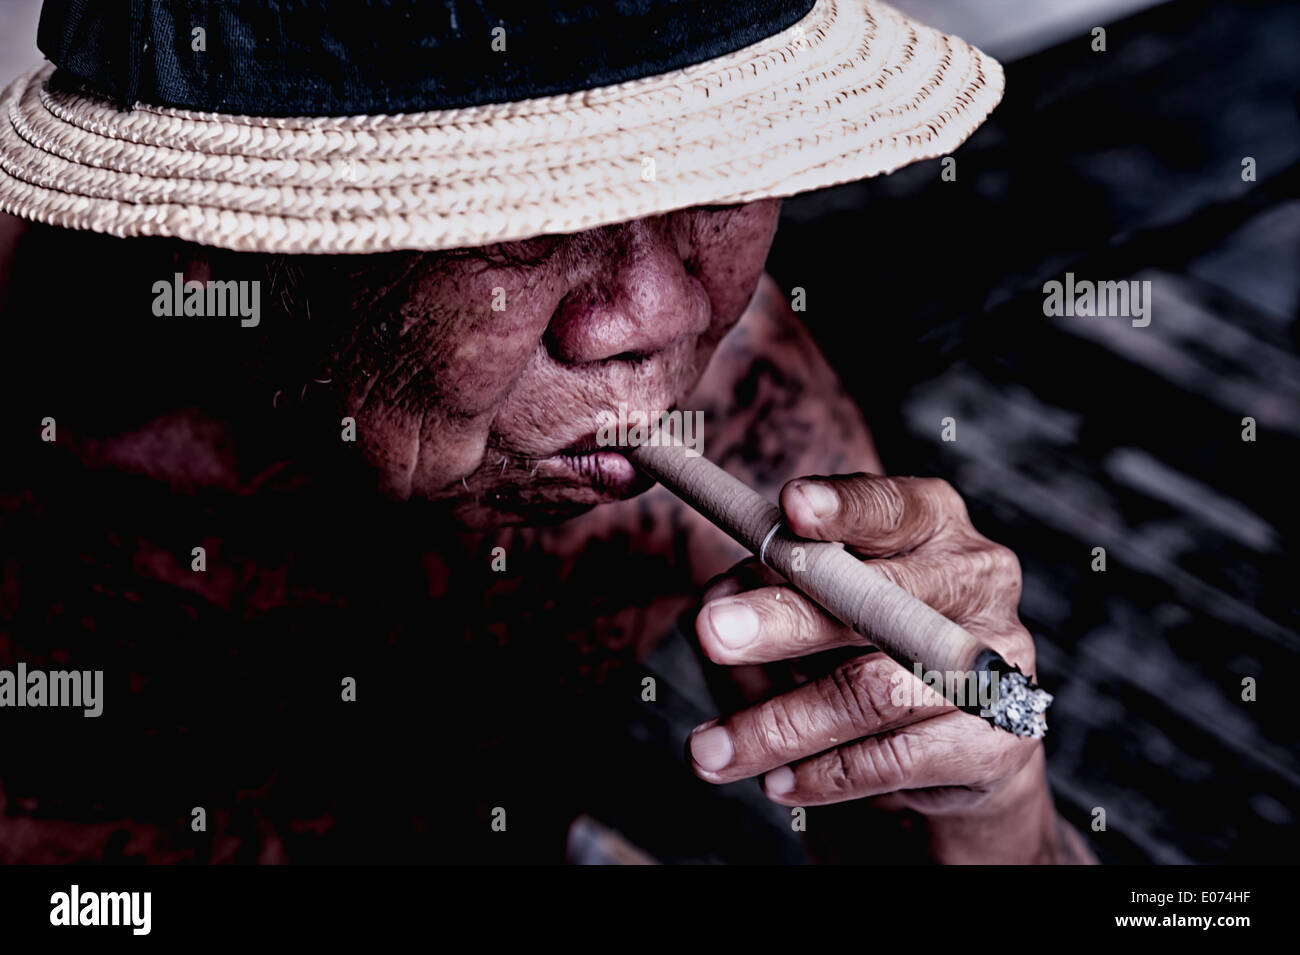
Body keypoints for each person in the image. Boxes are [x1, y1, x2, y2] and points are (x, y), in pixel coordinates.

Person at [0, 0, 1094, 863]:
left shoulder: (743, 398)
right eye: (530, 226)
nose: (662, 317)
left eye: (716, 178)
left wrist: (982, 805)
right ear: (222, 236)